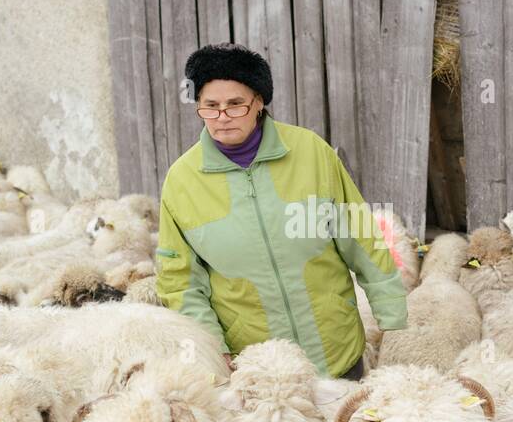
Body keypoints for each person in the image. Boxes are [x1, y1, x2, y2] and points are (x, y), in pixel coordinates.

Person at [155, 44, 408, 379]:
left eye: (235, 105)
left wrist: (392, 316)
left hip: (336, 352)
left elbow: (360, 236)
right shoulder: (182, 181)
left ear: (258, 103)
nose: (222, 117)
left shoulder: (311, 152)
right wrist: (214, 346)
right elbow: (180, 280)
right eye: (210, 107)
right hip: (260, 369)